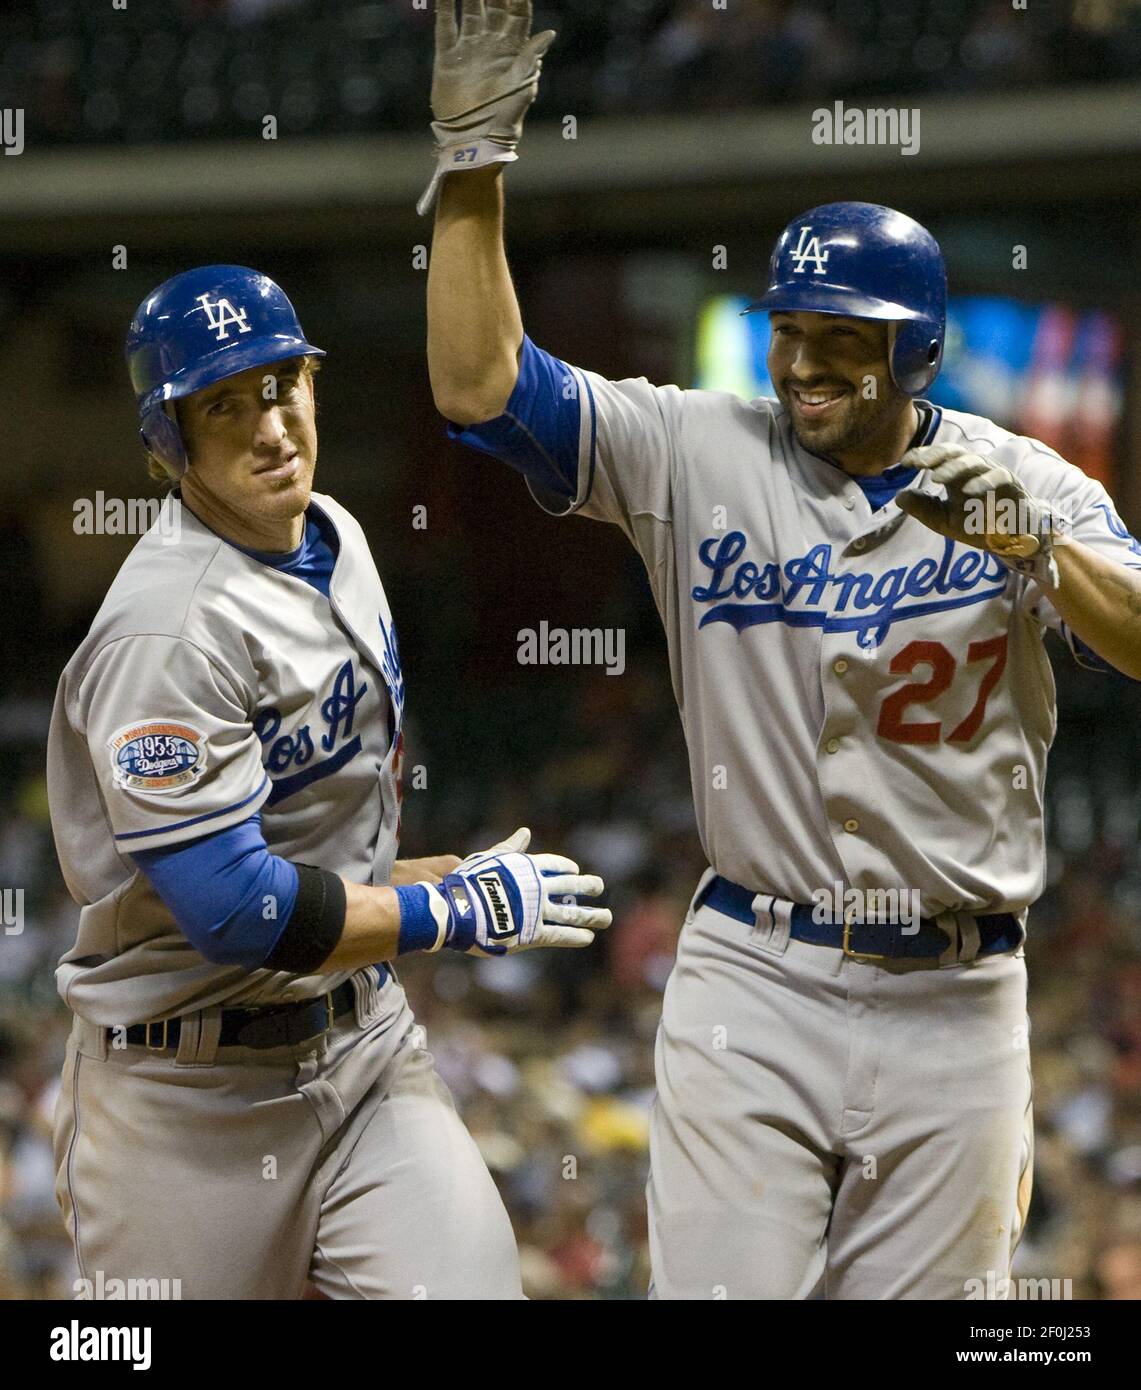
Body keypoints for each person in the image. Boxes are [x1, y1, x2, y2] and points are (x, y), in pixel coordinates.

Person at [421, 1, 1141, 1298]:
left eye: (843, 341)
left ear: (916, 354)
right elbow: (480, 387)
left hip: (956, 994)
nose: (803, 361)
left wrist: (1036, 546)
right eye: (790, 328)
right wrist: (471, 156)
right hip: (756, 971)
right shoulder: (695, 446)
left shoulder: (1019, 482)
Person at [46, 264, 610, 1300]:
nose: (270, 426)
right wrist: (450, 909)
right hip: (186, 1097)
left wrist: (433, 876)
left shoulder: (338, 535)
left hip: (362, 1050)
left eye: (280, 385)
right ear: (168, 443)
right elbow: (237, 911)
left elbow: (313, 841)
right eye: (224, 404)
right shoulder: (163, 631)